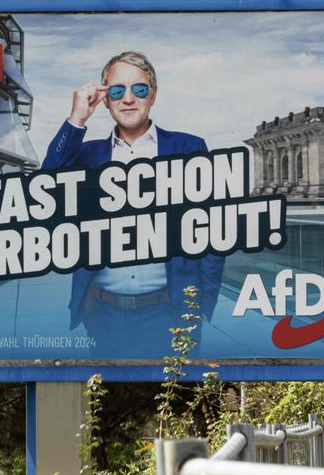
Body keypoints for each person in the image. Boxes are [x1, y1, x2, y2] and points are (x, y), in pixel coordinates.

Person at [41, 50, 224, 358]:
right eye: (116, 90)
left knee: (177, 403)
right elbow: (42, 191)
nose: (128, 98)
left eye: (138, 89)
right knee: (105, 404)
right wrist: (76, 119)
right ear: (105, 99)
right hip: (101, 314)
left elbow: (214, 230)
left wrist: (202, 304)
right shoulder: (87, 155)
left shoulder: (190, 148)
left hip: (172, 314)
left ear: (152, 94)